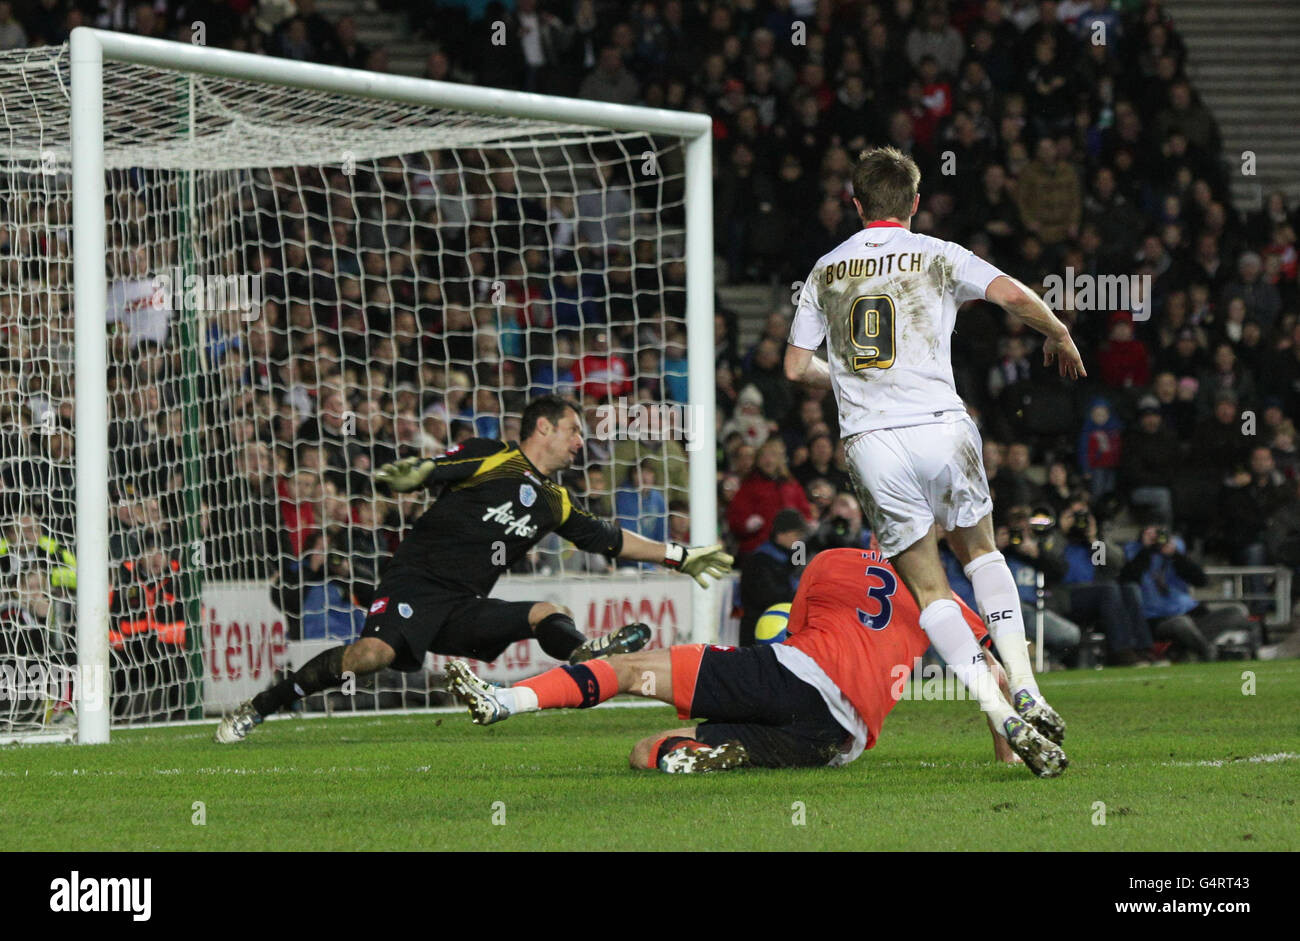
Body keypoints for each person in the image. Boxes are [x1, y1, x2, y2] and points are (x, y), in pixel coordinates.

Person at [784, 146, 1084, 774]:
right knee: (983, 553)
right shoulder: (938, 253)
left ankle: (998, 712)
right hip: (943, 428)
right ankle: (1024, 683)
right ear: (915, 203)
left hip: (872, 443)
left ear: (857, 204)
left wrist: (845, 380)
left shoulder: (824, 270)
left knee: (929, 588)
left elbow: (792, 366)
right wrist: (1056, 331)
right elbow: (1013, 297)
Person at [215, 395, 733, 743]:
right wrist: (412, 475)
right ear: (544, 427)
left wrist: (681, 557)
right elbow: (438, 468)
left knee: (543, 611)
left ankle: (582, 651)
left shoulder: (555, 500)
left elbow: (611, 540)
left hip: (464, 605)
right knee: (371, 654)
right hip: (416, 582)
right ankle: (264, 703)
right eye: (574, 430)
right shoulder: (492, 456)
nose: (581, 442)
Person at [446, 548, 1033, 775]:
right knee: (649, 751)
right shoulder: (947, 601)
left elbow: (791, 638)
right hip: (839, 737)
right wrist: (1006, 757)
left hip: (791, 674)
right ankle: (705, 754)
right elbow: (996, 676)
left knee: (631, 678)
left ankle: (504, 700)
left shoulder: (829, 562)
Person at [737, 509, 807, 646]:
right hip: (760, 631)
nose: (799, 540)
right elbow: (769, 596)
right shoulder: (759, 561)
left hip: (780, 630)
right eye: (796, 535)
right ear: (781, 533)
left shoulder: (791, 557)